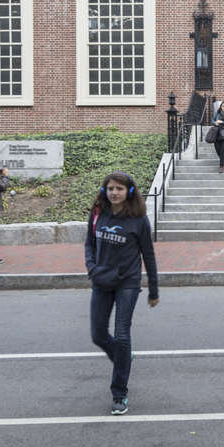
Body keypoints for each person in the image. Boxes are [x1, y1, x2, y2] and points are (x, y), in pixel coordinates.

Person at [85, 171, 159, 416]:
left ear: (128, 191)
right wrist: (91, 267)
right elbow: (89, 243)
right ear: (104, 190)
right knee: (97, 334)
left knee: (122, 334)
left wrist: (154, 289)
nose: (114, 192)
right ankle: (123, 357)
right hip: (101, 280)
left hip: (128, 281)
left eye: (119, 188)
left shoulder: (138, 219)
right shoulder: (97, 214)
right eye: (110, 188)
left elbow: (148, 255)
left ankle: (119, 394)